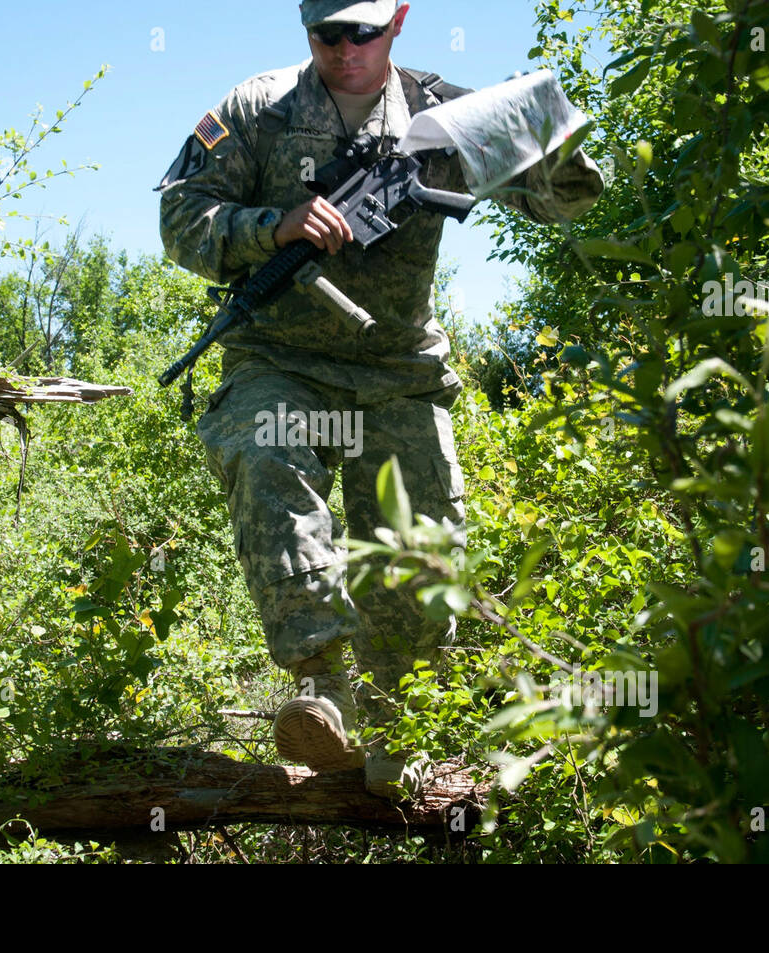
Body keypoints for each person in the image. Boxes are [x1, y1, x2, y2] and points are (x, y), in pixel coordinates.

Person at [157, 0, 603, 799]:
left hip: (398, 368)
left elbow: (565, 202)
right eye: (326, 33)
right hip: (281, 359)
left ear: (397, 20)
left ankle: (405, 736)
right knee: (264, 455)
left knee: (420, 550)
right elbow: (179, 219)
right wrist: (276, 226)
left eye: (361, 31)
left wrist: (551, 128)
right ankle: (321, 690)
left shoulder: (442, 114)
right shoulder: (257, 109)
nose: (344, 48)